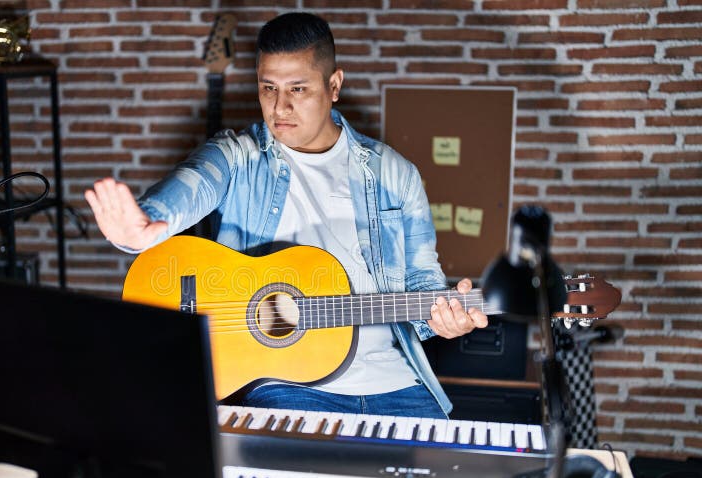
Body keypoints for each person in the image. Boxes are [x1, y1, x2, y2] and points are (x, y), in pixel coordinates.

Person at [85, 12, 488, 419]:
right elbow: (194, 184)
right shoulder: (239, 156)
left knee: (444, 474)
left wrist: (444, 321)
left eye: (298, 88)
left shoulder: (395, 174)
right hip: (282, 387)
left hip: (395, 384)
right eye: (268, 88)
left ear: (334, 86)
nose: (280, 107)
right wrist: (144, 229)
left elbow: (424, 284)